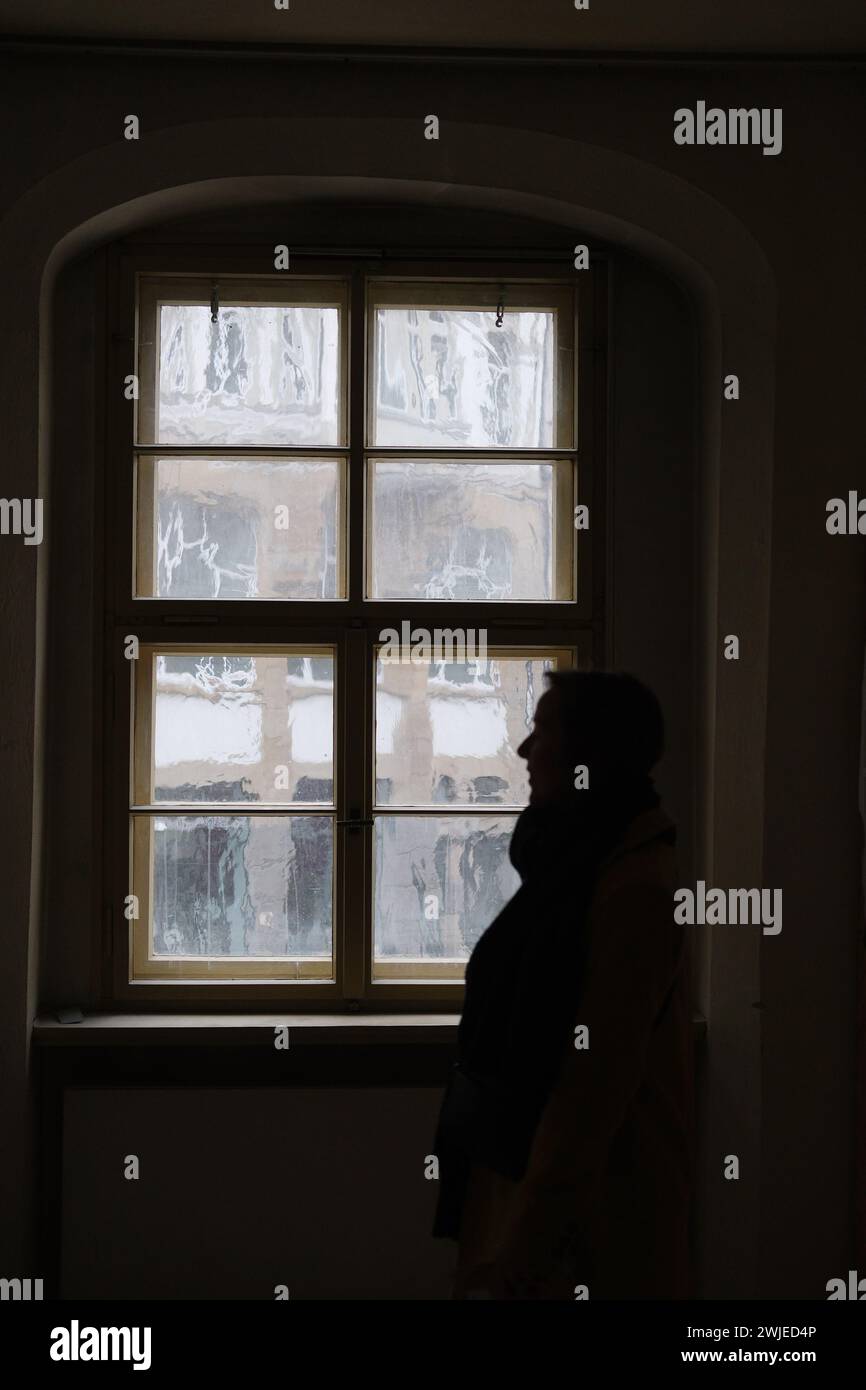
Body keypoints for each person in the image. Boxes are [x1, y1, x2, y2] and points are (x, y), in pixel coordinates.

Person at [431, 670, 695, 1299]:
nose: (524, 751)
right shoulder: (578, 863)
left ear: (589, 753)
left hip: (578, 1231)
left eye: (543, 731)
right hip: (534, 1202)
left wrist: (518, 1255)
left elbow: (589, 1098)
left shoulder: (631, 889)